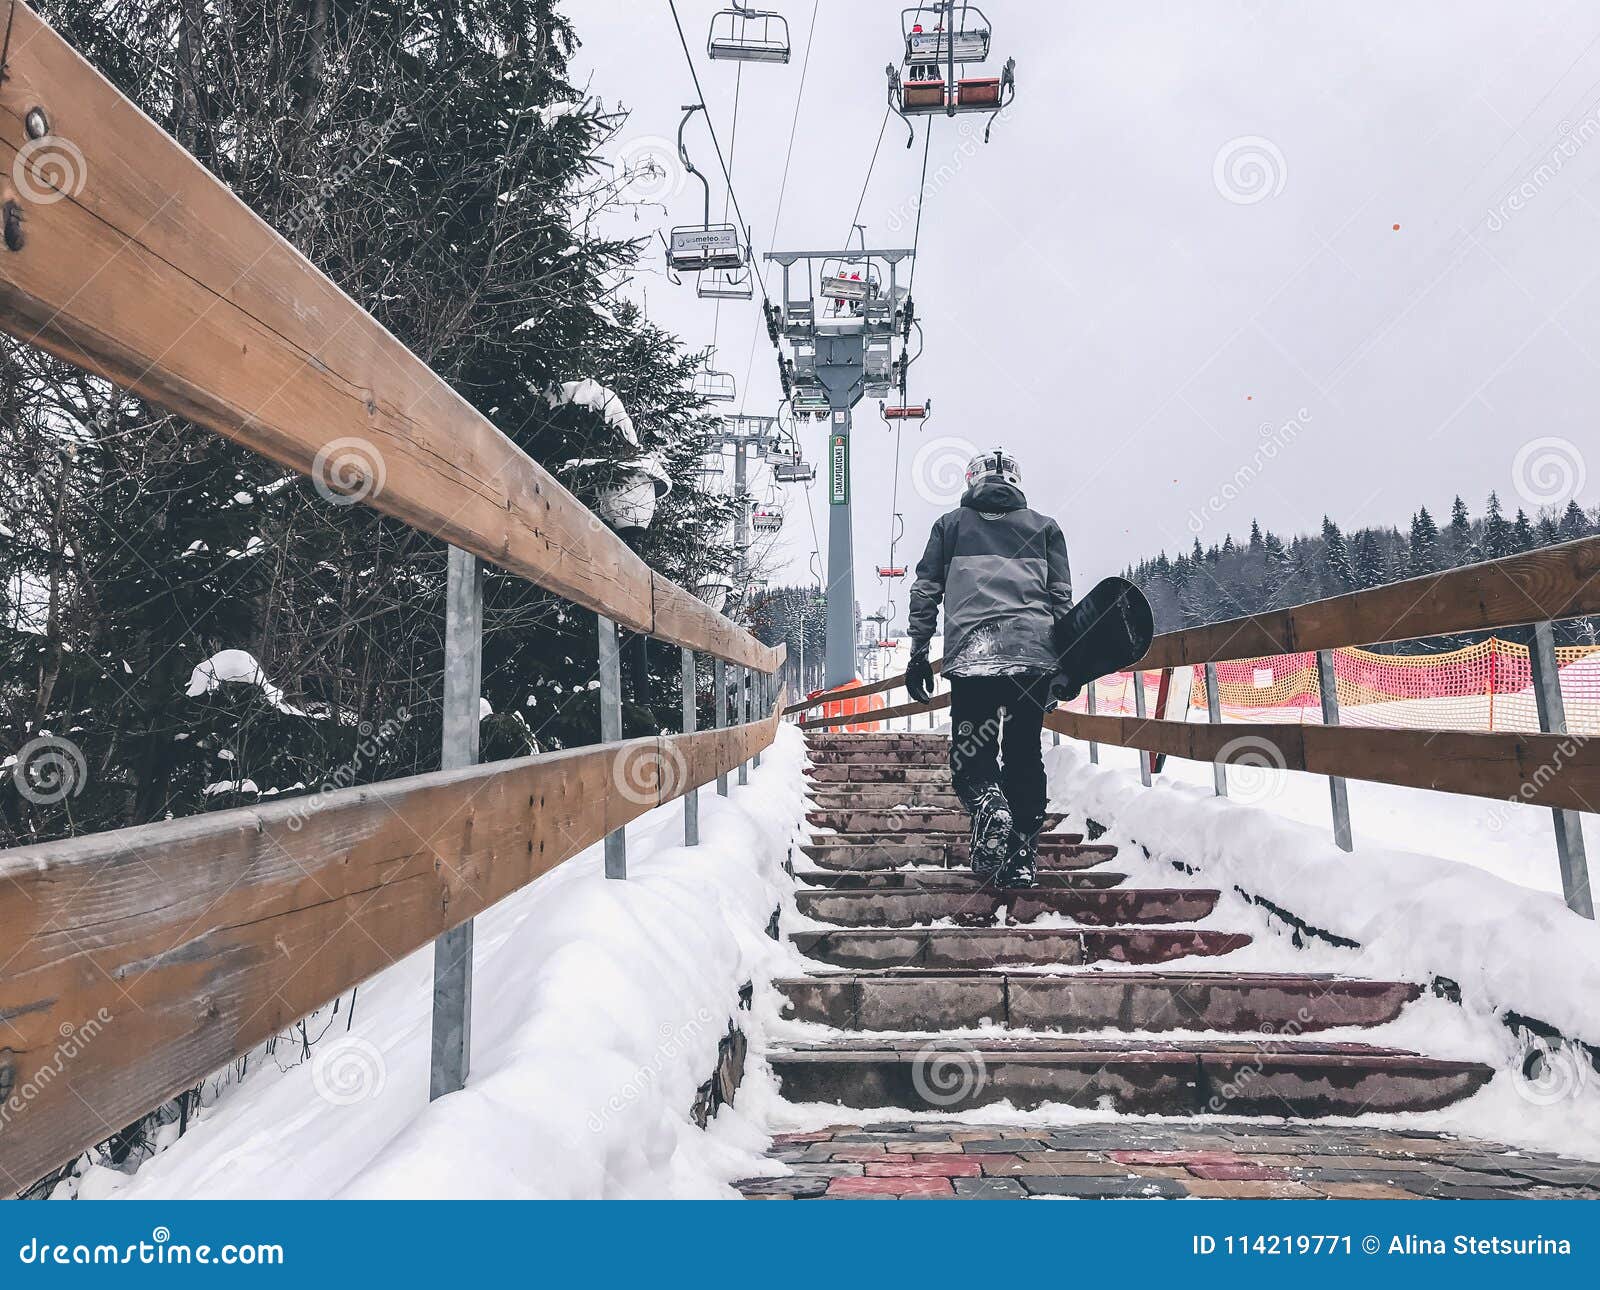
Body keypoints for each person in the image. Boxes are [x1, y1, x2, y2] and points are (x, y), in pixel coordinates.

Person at [905, 449, 1072, 887]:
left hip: (973, 657)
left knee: (971, 753)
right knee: (1023, 754)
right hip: (1032, 658)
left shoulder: (950, 527)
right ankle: (1020, 856)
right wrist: (1065, 665)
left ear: (970, 480)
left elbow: (926, 591)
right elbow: (1061, 602)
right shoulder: (1046, 528)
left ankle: (988, 802)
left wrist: (919, 652)